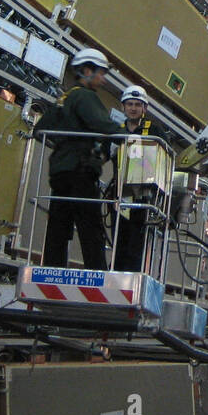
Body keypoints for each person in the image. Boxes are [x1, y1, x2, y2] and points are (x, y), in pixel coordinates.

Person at [33, 48, 121, 270]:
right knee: (90, 225)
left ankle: (53, 269)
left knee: (59, 225)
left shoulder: (65, 97)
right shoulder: (85, 96)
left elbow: (41, 129)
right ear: (87, 71)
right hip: (80, 171)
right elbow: (101, 123)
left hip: (60, 171)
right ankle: (98, 274)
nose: (102, 78)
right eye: (100, 73)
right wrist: (128, 136)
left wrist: (64, 145)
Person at [111, 84, 173, 274]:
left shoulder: (154, 131)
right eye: (129, 104)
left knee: (137, 238)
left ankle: (132, 274)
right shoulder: (116, 131)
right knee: (118, 236)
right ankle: (116, 271)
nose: (133, 108)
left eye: (138, 104)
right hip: (120, 192)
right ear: (123, 106)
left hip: (142, 194)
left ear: (144, 109)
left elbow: (167, 157)